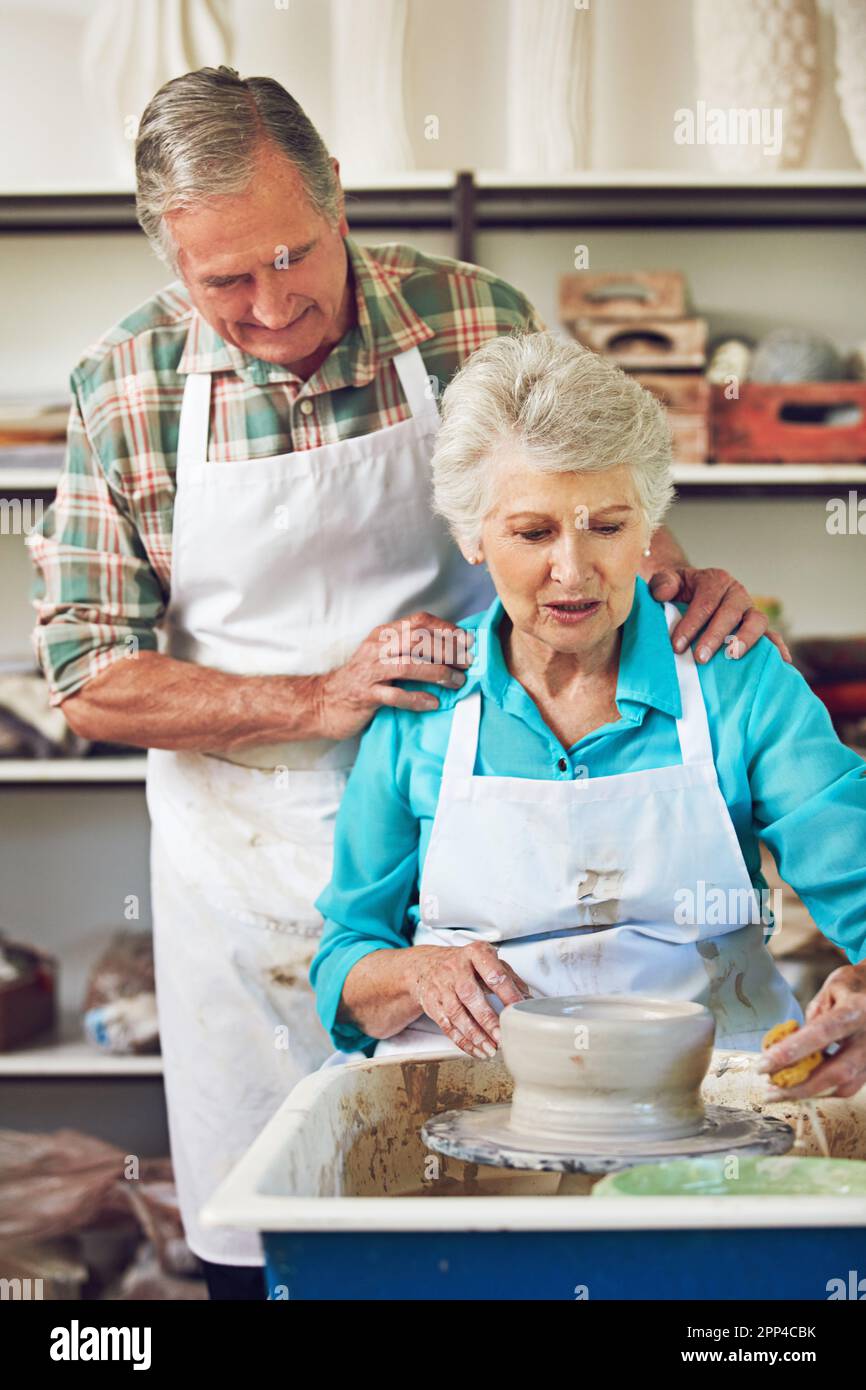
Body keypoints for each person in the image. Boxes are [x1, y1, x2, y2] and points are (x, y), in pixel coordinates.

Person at [28, 67, 791, 1297]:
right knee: (263, 1223)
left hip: (475, 822)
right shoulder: (123, 388)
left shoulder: (464, 313)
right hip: (246, 873)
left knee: (486, 1211)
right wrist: (312, 702)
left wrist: (670, 570)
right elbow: (87, 677)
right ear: (172, 262)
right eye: (225, 281)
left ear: (337, 201)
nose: (272, 305)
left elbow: (576, 489)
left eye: (292, 255)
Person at [312, 332, 866, 1097]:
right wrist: (417, 971)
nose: (572, 572)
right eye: (533, 532)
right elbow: (345, 959)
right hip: (473, 1102)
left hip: (708, 1096)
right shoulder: (423, 699)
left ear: (649, 523)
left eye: (607, 527)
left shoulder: (733, 675)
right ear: (473, 536)